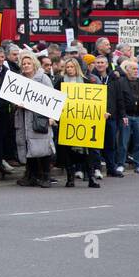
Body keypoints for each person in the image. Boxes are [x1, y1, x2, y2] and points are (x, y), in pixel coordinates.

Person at [13, 53, 56, 188]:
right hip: (24, 118)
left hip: (39, 119)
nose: (26, 66)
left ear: (34, 64)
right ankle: (31, 175)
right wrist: (16, 103)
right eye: (24, 64)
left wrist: (52, 117)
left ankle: (46, 176)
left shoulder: (43, 78)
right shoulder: (19, 79)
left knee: (43, 147)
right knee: (28, 147)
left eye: (28, 63)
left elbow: (53, 98)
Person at [56, 58, 100, 188]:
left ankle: (91, 176)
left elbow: (95, 101)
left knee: (88, 151)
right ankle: (70, 177)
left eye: (71, 67)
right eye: (67, 67)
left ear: (77, 68)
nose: (69, 69)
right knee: (67, 151)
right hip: (66, 121)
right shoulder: (60, 81)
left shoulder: (86, 82)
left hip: (83, 122)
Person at [117, 59, 139, 174]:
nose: (136, 71)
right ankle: (120, 164)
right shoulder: (121, 83)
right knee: (123, 141)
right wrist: (122, 114)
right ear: (127, 70)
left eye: (137, 69)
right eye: (133, 69)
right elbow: (118, 100)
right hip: (126, 115)